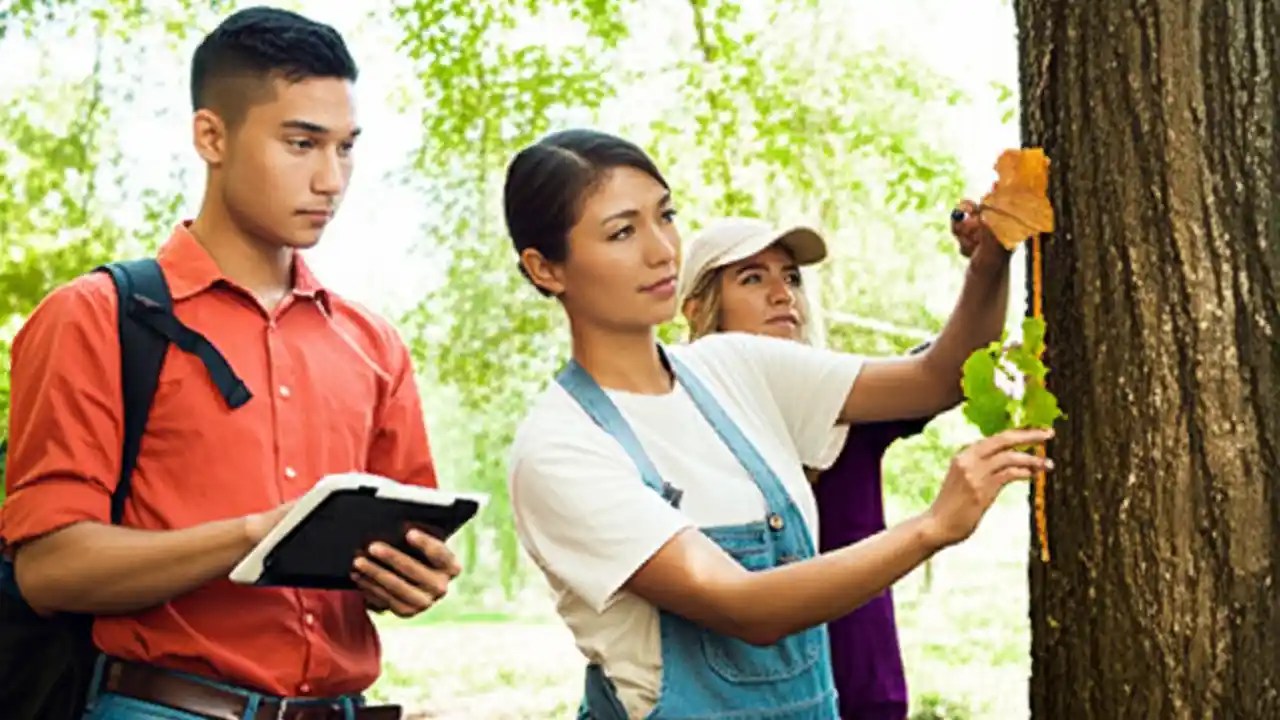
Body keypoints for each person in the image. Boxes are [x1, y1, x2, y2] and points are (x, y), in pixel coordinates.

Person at [0, 7, 459, 720]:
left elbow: (398, 548)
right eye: (302, 144)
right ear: (211, 137)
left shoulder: (374, 344)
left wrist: (408, 577)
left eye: (345, 148)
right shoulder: (93, 317)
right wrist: (259, 534)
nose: (332, 179)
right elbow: (50, 569)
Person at [501, 128, 1052, 720]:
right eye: (622, 232)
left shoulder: (733, 366)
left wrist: (991, 260)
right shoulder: (560, 448)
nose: (661, 251)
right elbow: (742, 607)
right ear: (545, 268)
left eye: (666, 216)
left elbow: (937, 377)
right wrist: (933, 527)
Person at [677, 217, 974, 719]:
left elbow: (948, 369)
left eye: (791, 277)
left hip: (866, 700)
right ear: (700, 309)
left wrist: (986, 263)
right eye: (753, 277)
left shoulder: (849, 405)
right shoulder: (680, 428)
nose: (782, 294)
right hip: (746, 704)